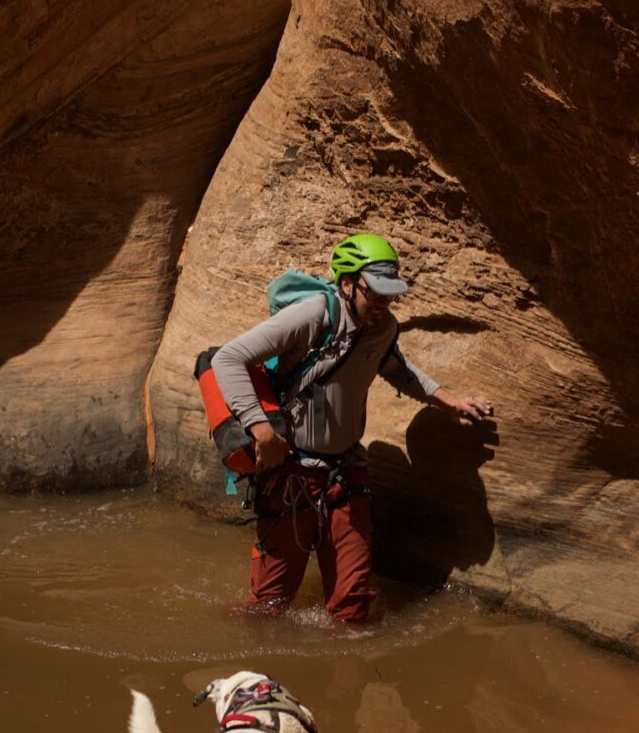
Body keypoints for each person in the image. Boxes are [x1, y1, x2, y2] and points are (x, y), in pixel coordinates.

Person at [209, 233, 494, 622]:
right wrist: (260, 428)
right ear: (347, 283)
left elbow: (399, 370)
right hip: (292, 476)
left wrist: (449, 401)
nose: (383, 302)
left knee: (353, 606)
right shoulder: (314, 315)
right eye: (375, 292)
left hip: (347, 473)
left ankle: (347, 680)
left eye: (390, 293)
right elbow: (229, 358)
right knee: (267, 607)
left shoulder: (383, 327)